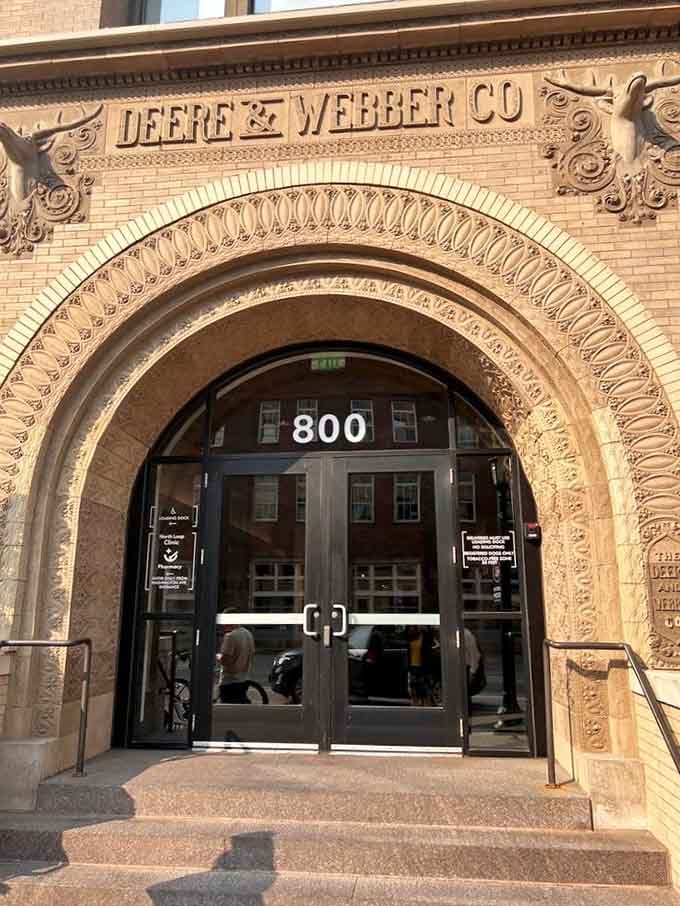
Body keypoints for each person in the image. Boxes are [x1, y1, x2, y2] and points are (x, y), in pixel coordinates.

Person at [217, 612, 255, 704]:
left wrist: (217, 656)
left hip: (230, 681)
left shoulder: (230, 636)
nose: (223, 624)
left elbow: (225, 660)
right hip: (244, 678)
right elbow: (252, 653)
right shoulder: (248, 633)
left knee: (228, 712)